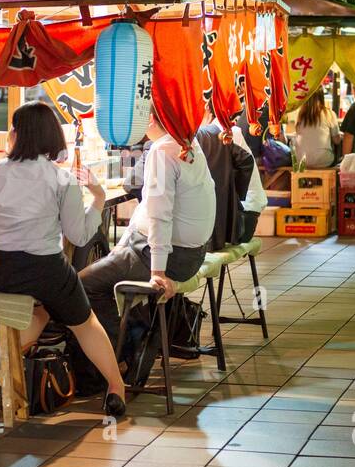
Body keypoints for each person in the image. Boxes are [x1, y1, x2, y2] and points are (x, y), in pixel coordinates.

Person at [0, 101, 127, 418]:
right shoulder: (61, 179)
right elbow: (80, 235)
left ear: (15, 134)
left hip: (5, 270)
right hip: (47, 269)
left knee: (42, 311)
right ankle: (116, 387)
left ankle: (3, 361)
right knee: (85, 323)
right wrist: (98, 198)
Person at [79, 109, 215, 355]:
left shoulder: (162, 151)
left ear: (149, 119)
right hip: (190, 253)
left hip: (166, 257)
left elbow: (159, 216)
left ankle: (117, 356)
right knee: (107, 264)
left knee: (83, 284)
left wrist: (158, 272)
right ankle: (129, 342)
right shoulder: (185, 142)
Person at [195, 109, 256, 251]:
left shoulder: (201, 134)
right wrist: (233, 193)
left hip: (197, 238)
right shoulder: (216, 132)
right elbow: (246, 160)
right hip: (229, 227)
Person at [290, 88, 341, 169]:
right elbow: (337, 140)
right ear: (321, 97)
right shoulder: (329, 113)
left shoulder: (300, 115)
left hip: (301, 160)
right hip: (324, 160)